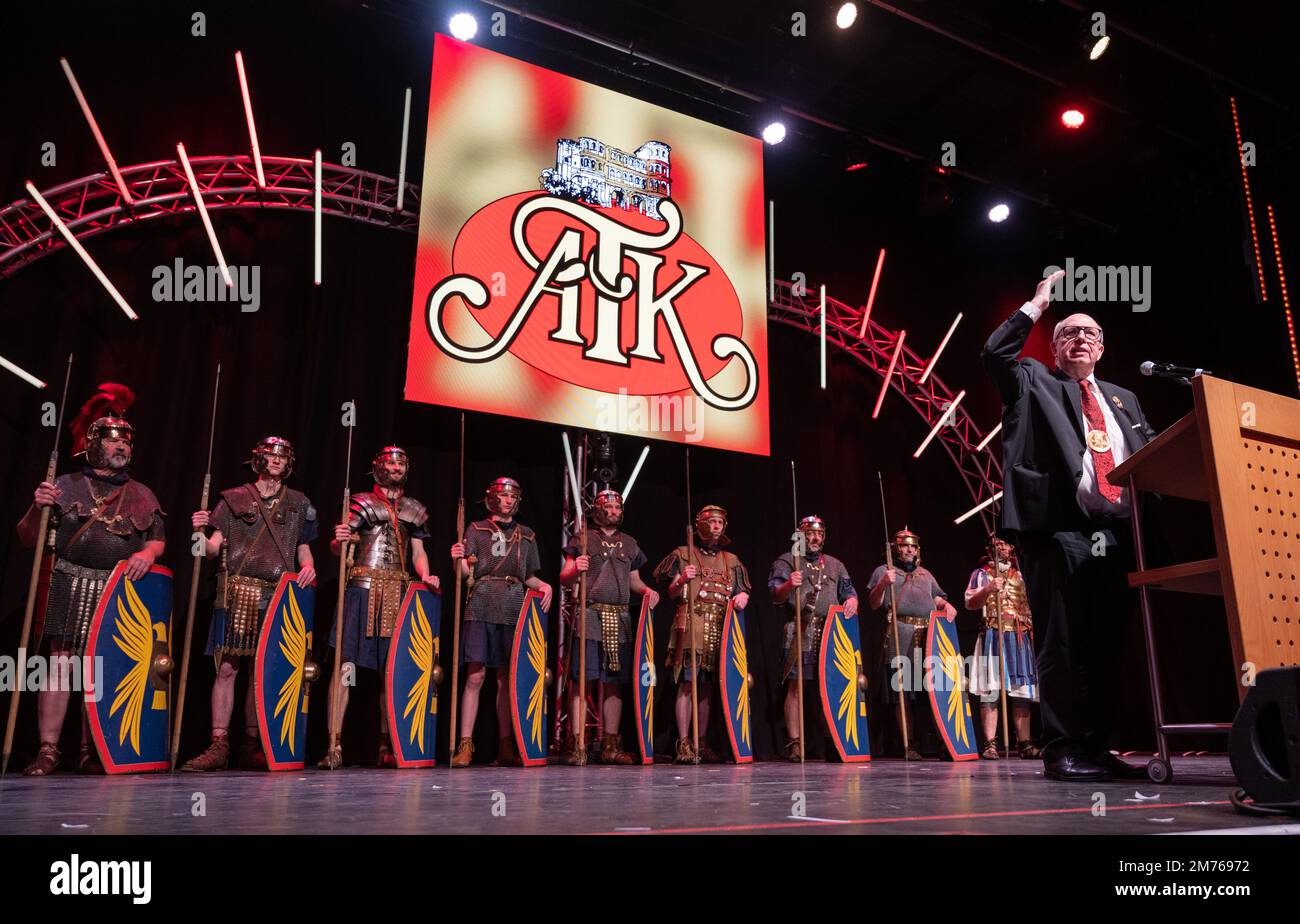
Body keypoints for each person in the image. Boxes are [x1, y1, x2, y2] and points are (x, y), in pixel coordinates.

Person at [981, 270, 1157, 781]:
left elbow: (1144, 457)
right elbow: (994, 355)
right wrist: (1036, 306)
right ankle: (1061, 750)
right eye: (1068, 333)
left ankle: (1098, 747)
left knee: (1104, 643)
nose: (1080, 338)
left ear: (1101, 349)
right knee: (1061, 642)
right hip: (1058, 528)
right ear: (1054, 348)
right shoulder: (1032, 379)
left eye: (1090, 334)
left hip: (1117, 532)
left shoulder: (1124, 398)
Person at [15, 416, 165, 776]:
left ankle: (90, 750)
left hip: (115, 591)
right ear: (95, 444)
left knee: (100, 672)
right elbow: (26, 537)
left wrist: (147, 554)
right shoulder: (65, 485)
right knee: (61, 666)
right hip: (68, 582)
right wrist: (38, 507)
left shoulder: (142, 495)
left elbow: (157, 538)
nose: (123, 447)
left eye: (127, 443)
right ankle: (49, 749)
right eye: (114, 441)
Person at [182, 437, 318, 771]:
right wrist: (198, 534)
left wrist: (309, 569)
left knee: (263, 671)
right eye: (270, 455)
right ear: (258, 460)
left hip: (278, 596)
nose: (276, 460)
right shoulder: (233, 498)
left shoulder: (299, 503)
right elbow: (210, 550)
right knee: (228, 667)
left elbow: (303, 549)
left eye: (282, 456)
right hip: (237, 591)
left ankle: (252, 744)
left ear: (289, 464)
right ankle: (219, 743)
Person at [319, 446, 438, 769]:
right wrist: (338, 539)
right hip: (361, 588)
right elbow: (337, 548)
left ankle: (388, 744)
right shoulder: (361, 501)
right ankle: (335, 743)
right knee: (346, 668)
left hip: (397, 590)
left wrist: (426, 575)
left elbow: (418, 551)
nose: (396, 467)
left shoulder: (413, 509)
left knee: (392, 671)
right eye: (390, 462)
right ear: (378, 467)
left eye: (401, 462)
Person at [449, 477, 552, 767]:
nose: (508, 501)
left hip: (513, 603)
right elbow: (463, 575)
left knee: (506, 679)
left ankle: (506, 745)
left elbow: (527, 576)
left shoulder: (527, 535)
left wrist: (545, 586)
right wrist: (456, 559)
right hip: (482, 601)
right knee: (475, 675)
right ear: (493, 498)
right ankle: (466, 744)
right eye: (503, 496)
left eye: (512, 496)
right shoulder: (476, 529)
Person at [558, 488, 659, 765]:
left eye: (617, 507)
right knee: (583, 682)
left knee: (615, 684)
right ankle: (578, 744)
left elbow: (633, 581)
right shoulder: (582, 538)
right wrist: (574, 568)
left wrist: (648, 591)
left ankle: (610, 745)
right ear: (599, 509)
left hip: (621, 618)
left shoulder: (630, 543)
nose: (614, 511)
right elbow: (565, 578)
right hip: (590, 616)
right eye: (609, 507)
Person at [653, 505, 750, 764]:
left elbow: (742, 591)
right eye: (712, 522)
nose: (717, 526)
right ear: (701, 525)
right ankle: (683, 741)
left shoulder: (731, 560)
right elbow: (671, 592)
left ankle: (701, 741)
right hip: (692, 622)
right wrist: (681, 579)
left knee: (707, 687)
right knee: (687, 684)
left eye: (721, 522)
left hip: (720, 628)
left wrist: (742, 595)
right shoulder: (684, 554)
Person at [768, 515, 858, 761]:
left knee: (830, 688)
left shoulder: (836, 565)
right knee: (796, 688)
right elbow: (775, 595)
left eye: (818, 533)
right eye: (809, 533)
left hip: (830, 634)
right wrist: (789, 584)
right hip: (800, 629)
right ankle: (795, 743)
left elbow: (849, 592)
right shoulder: (787, 561)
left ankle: (833, 740)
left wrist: (852, 600)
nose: (815, 537)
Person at [866, 527, 956, 759]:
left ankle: (944, 742)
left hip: (928, 634)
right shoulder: (883, 571)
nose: (909, 549)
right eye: (905, 545)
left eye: (913, 546)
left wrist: (947, 606)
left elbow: (935, 598)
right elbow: (874, 603)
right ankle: (910, 744)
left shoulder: (926, 574)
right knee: (903, 692)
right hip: (900, 632)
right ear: (896, 548)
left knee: (935, 690)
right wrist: (884, 583)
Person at [963, 537, 1039, 760]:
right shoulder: (981, 574)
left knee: (1021, 691)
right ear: (990, 548)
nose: (1003, 548)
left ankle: (1024, 744)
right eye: (998, 544)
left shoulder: (1022, 574)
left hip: (1019, 635)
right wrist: (987, 589)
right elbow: (970, 604)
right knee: (991, 690)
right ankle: (990, 744)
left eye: (1006, 544)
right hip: (993, 633)